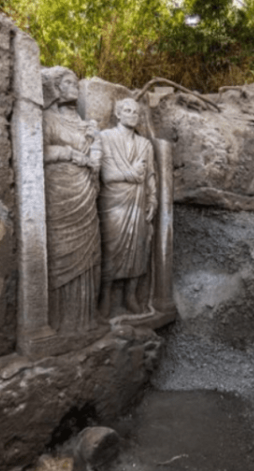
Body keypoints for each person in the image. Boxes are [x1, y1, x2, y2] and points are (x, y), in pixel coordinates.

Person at [42, 67, 105, 336]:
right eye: (68, 83)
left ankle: (85, 318)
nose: (74, 87)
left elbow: (97, 158)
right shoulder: (46, 119)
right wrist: (69, 153)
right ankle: (62, 322)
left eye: (76, 83)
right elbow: (39, 151)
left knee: (89, 252)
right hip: (60, 192)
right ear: (56, 88)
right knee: (62, 251)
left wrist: (95, 140)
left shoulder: (84, 123)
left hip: (85, 191)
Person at [98, 98, 157, 316]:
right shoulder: (105, 138)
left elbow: (149, 174)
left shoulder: (145, 144)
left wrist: (153, 200)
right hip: (113, 203)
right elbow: (107, 175)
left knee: (138, 247)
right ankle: (105, 296)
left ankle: (130, 296)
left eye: (136, 112)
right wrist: (132, 174)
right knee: (110, 248)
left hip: (138, 202)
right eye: (127, 110)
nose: (132, 114)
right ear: (118, 113)